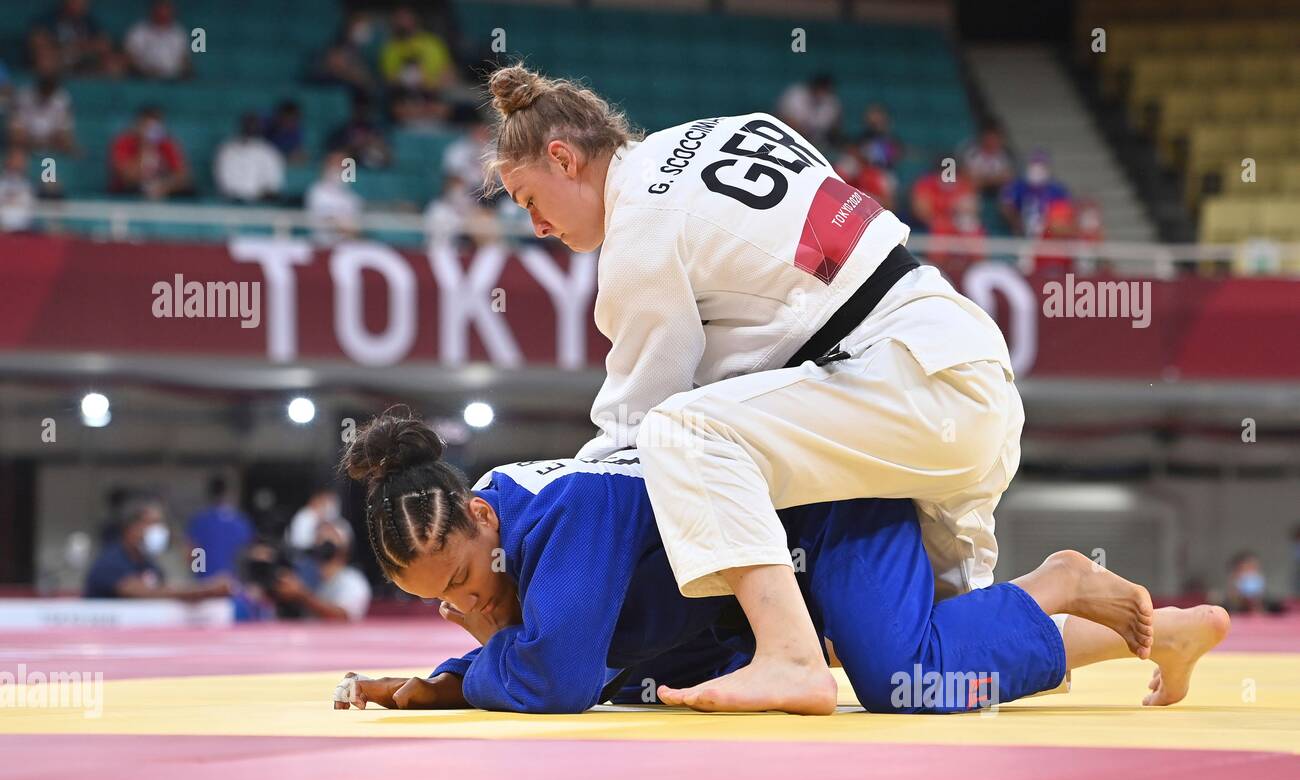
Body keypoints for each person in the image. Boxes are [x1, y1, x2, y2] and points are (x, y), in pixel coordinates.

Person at [482, 65, 1035, 714]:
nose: (539, 226)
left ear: (563, 158)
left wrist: (546, 518)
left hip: (905, 384)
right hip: (956, 358)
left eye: (529, 201)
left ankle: (790, 657)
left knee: (681, 433)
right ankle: (1090, 607)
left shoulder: (638, 231)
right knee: (921, 659)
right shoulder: (731, 128)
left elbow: (634, 429)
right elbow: (813, 264)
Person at [331, 414, 1227, 714]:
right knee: (910, 669)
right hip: (768, 582)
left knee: (901, 679)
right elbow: (574, 659)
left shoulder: (564, 514)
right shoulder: (505, 537)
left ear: (482, 516)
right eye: (437, 601)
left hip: (827, 513)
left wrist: (469, 663)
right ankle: (1156, 638)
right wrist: (440, 678)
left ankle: (1057, 581)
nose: (466, 600)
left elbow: (561, 675)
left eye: (460, 580)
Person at [85, 498, 234, 600]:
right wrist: (207, 590)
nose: (159, 531)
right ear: (130, 528)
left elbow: (165, 590)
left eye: (160, 525)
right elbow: (147, 593)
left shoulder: (151, 566)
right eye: (152, 524)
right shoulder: (109, 563)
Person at [272, 521, 371, 621]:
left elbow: (342, 617)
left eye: (330, 533)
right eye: (319, 535)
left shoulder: (353, 580)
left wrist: (302, 595)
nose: (321, 539)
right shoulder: (309, 576)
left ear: (345, 545)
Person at [108, 105, 192, 198]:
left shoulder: (166, 144)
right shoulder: (124, 142)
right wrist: (145, 146)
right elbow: (127, 177)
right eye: (147, 126)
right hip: (128, 195)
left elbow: (184, 176)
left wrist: (163, 187)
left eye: (156, 125)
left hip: (161, 191)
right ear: (138, 125)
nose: (152, 130)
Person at [185, 475, 254, 579]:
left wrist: (198, 575)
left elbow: (192, 553)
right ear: (230, 493)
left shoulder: (200, 520)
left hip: (206, 584)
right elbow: (248, 552)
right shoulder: (241, 521)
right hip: (232, 584)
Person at [213, 113, 284, 202]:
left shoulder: (269, 151)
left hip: (261, 204)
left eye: (254, 125)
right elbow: (223, 182)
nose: (251, 128)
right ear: (241, 126)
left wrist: (259, 195)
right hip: (232, 202)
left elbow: (273, 184)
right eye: (248, 124)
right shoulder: (226, 149)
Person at [1000, 148, 1069, 237]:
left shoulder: (1057, 189)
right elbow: (1006, 206)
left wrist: (1048, 225)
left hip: (1048, 233)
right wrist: (1018, 223)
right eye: (1035, 164)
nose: (1037, 169)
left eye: (1041, 165)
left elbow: (1063, 213)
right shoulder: (1017, 185)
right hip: (1021, 231)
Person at [7, 66, 77, 154]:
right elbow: (16, 133)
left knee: (73, 149)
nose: (45, 95)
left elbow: (65, 134)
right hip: (26, 147)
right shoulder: (23, 97)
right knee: (16, 144)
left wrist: (50, 142)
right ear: (37, 87)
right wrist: (35, 143)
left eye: (49, 90)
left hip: (53, 145)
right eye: (44, 90)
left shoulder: (62, 99)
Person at [304, 151, 362, 244]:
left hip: (348, 243)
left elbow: (358, 224)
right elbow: (325, 218)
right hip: (321, 244)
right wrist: (344, 228)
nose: (340, 169)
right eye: (336, 164)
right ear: (327, 167)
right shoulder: (317, 191)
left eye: (344, 166)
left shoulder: (351, 196)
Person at [124, 0, 190, 80]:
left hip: (172, 78)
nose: (163, 12)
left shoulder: (179, 33)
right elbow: (130, 57)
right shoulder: (139, 31)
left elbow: (184, 59)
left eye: (166, 9)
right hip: (144, 76)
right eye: (160, 8)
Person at [776, 74, 841, 150]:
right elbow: (783, 120)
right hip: (787, 139)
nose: (822, 94)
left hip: (818, 144)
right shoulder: (795, 95)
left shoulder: (831, 102)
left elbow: (835, 128)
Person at [0, 147, 36, 233]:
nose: (19, 163)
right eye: (16, 159)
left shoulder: (31, 184)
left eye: (22, 160)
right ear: (8, 160)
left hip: (25, 231)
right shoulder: (2, 182)